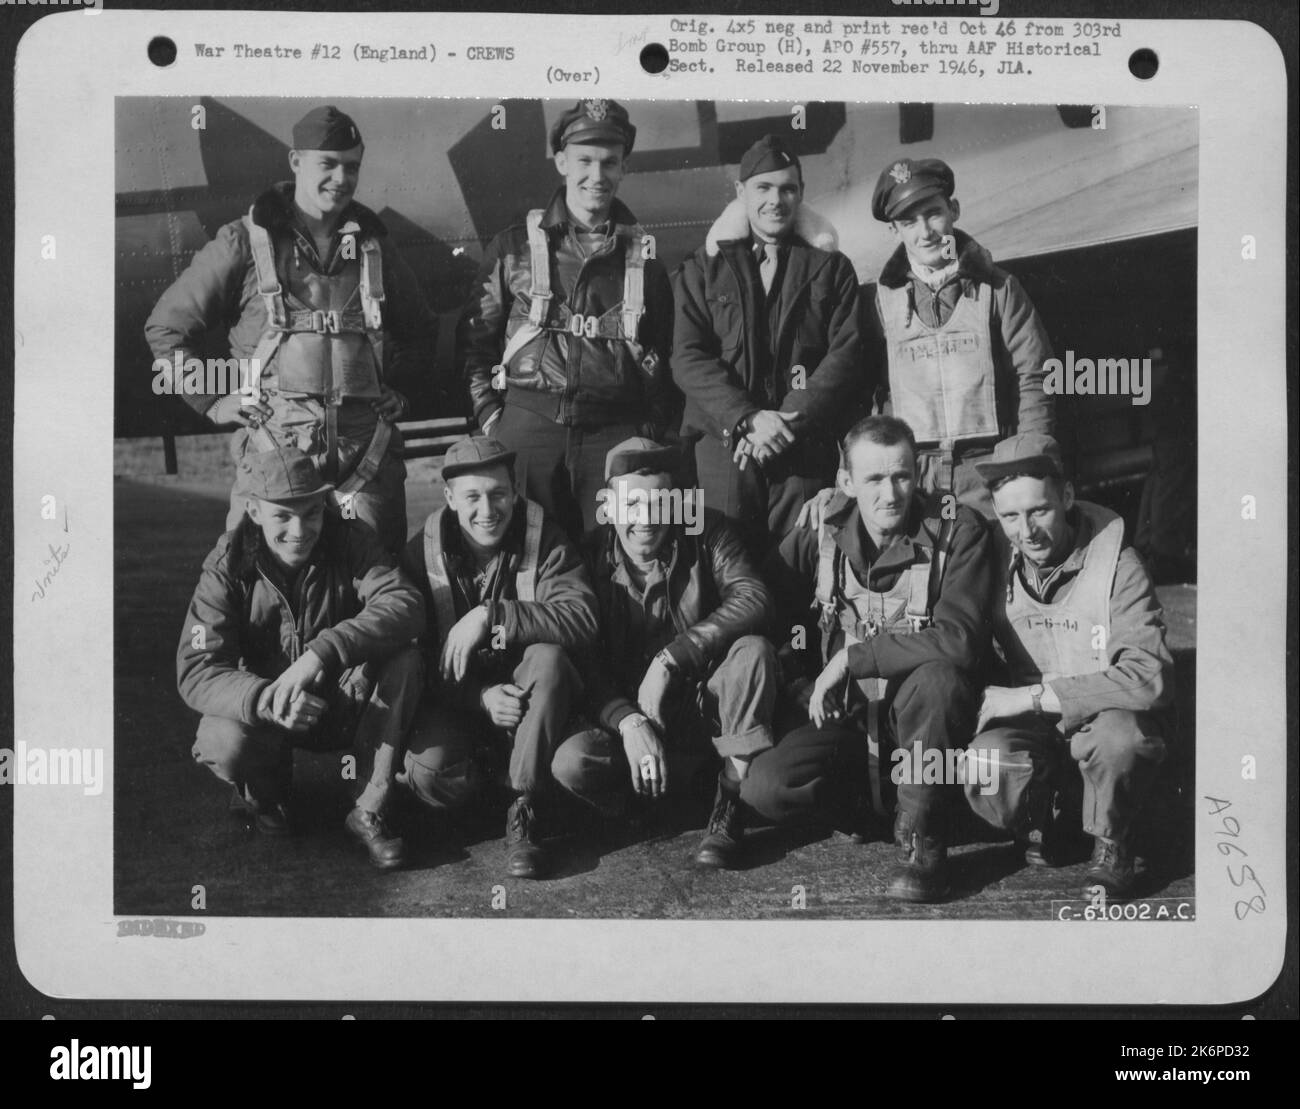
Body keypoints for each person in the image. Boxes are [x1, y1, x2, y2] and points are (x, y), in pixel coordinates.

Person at [146, 105, 436, 553]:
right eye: (328, 164)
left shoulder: (374, 248)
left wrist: (401, 386)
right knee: (257, 592)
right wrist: (212, 400)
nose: (341, 178)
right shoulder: (243, 242)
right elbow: (166, 328)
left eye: (352, 167)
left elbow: (420, 330)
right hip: (273, 453)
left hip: (368, 458)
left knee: (379, 591)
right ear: (296, 162)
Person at [762, 415, 993, 901]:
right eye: (873, 479)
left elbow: (959, 640)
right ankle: (878, 809)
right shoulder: (820, 531)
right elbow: (771, 612)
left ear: (918, 473)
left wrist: (852, 659)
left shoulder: (958, 530)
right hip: (849, 718)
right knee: (769, 788)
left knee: (938, 679)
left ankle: (924, 838)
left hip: (924, 717)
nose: (891, 494)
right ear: (845, 482)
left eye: (902, 475)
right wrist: (799, 680)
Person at [177, 445, 425, 869]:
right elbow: (197, 666)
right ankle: (266, 796)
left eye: (311, 513)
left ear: (325, 504)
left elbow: (404, 602)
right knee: (222, 741)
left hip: (344, 699)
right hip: (271, 714)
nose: (300, 530)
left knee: (407, 660)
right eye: (282, 516)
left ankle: (368, 806)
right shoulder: (226, 563)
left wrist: (323, 652)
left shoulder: (350, 535)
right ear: (254, 512)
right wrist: (267, 698)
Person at [964, 433, 1173, 897]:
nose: (1027, 530)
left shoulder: (1118, 561)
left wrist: (1033, 695)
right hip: (1038, 731)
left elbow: (1150, 674)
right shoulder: (994, 558)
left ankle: (1113, 839)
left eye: (1039, 510)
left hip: (1101, 717)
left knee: (1123, 738)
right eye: (1010, 516)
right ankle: (1048, 820)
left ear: (1068, 497)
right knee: (984, 759)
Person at [458, 99, 677, 541]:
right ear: (561, 161)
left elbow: (664, 357)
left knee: (611, 561)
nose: (597, 176)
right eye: (584, 161)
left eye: (609, 163)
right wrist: (492, 422)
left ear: (622, 168)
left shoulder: (645, 259)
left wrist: (646, 432)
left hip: (613, 435)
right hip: (528, 427)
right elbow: (475, 349)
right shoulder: (513, 249)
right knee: (526, 555)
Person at [558, 437, 778, 868]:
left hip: (700, 708)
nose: (645, 519)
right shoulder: (586, 553)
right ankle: (644, 802)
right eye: (631, 504)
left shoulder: (708, 530)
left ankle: (727, 802)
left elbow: (754, 597)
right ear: (608, 505)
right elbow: (581, 656)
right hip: (628, 725)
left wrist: (672, 658)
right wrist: (627, 719)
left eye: (660, 503)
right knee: (573, 762)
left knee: (755, 652)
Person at [400, 436, 600, 879]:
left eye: (498, 494)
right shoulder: (422, 552)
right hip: (465, 704)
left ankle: (524, 805)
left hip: (535, 708)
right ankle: (494, 787)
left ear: (515, 491)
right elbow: (413, 657)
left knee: (549, 660)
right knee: (427, 774)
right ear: (449, 498)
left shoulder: (543, 535)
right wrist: (481, 697)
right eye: (472, 497)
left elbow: (582, 618)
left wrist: (493, 615)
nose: (487, 510)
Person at [673, 133, 864, 555]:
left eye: (788, 188)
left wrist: (786, 421)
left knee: (800, 557)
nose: (776, 200)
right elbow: (688, 357)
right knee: (726, 560)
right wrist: (746, 418)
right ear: (741, 192)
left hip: (802, 443)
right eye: (763, 188)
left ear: (801, 193)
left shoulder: (832, 269)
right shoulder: (703, 267)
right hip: (727, 445)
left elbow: (845, 354)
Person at [865, 156, 1055, 516]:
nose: (925, 232)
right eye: (908, 222)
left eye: (933, 214)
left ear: (953, 209)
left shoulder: (999, 288)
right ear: (894, 230)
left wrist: (1026, 466)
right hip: (912, 478)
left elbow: (1035, 377)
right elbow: (868, 396)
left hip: (990, 471)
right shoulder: (879, 303)